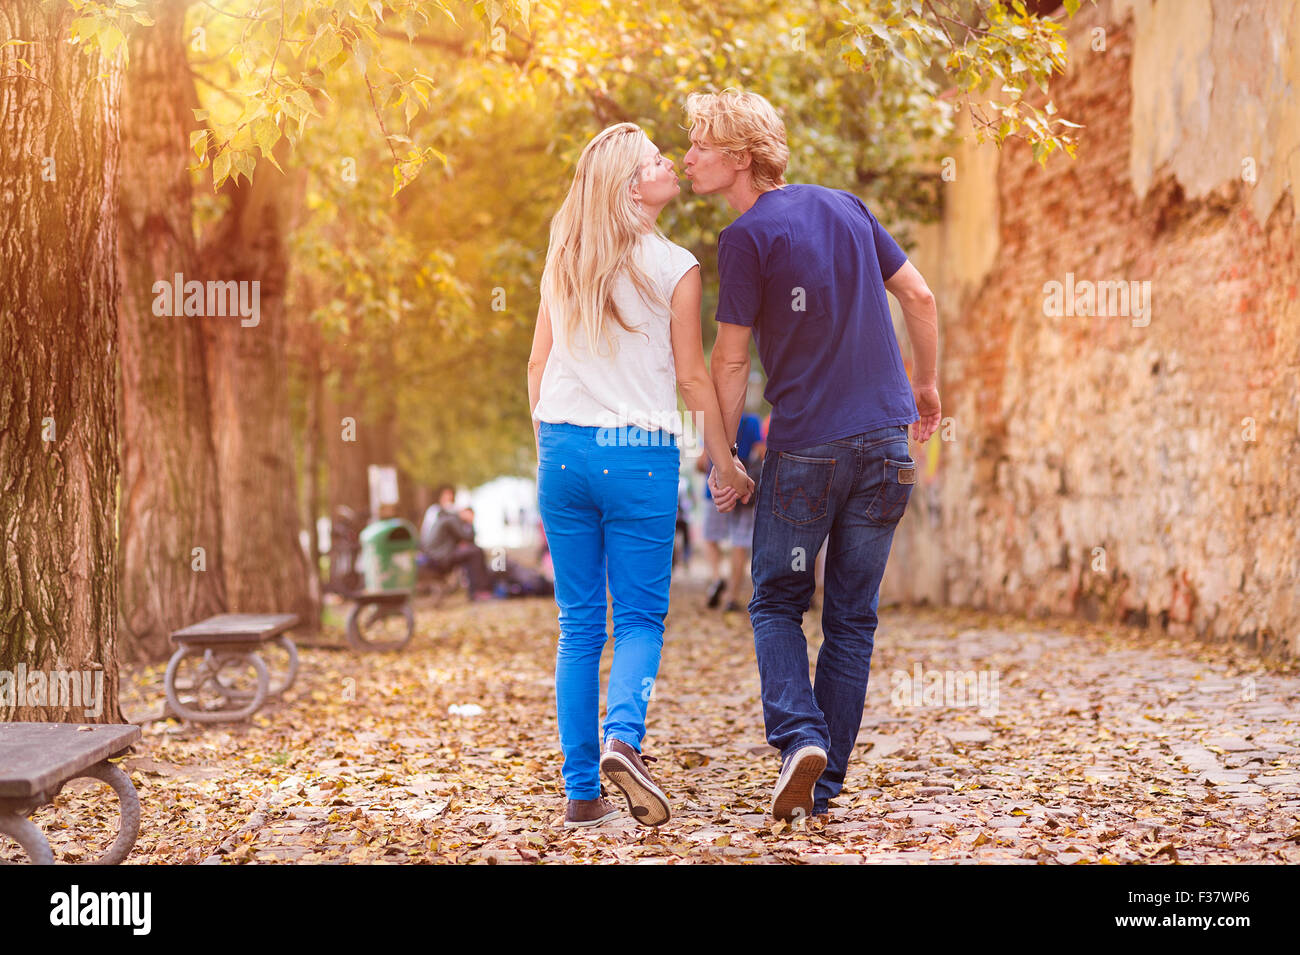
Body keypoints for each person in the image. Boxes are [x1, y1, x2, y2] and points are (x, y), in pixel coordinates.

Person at [684, 89, 941, 821]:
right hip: (888, 445)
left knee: (776, 599)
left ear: (739, 157)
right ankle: (821, 789)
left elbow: (730, 363)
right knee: (853, 617)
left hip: (805, 455)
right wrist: (924, 384)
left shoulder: (744, 239)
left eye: (701, 144)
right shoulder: (849, 208)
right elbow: (919, 298)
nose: (689, 157)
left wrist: (724, 457)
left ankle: (800, 737)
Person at [527, 122, 754, 829]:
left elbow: (537, 366)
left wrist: (552, 440)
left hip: (561, 451)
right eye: (657, 159)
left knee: (577, 626)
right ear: (633, 184)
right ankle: (624, 737)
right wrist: (725, 462)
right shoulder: (675, 265)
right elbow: (692, 377)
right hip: (637, 455)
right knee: (639, 618)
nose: (669, 164)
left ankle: (581, 791)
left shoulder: (564, 255)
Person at [697, 409, 765, 612]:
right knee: (740, 542)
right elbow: (762, 452)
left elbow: (702, 462)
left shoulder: (710, 420)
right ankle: (732, 597)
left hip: (716, 490)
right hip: (743, 487)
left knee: (709, 538)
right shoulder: (751, 420)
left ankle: (717, 577)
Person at [418, 484, 494, 600]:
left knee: (471, 552)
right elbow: (468, 537)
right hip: (441, 557)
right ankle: (479, 591)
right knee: (476, 552)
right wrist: (470, 522)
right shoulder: (450, 518)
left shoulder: (441, 516)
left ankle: (476, 590)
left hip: (436, 555)